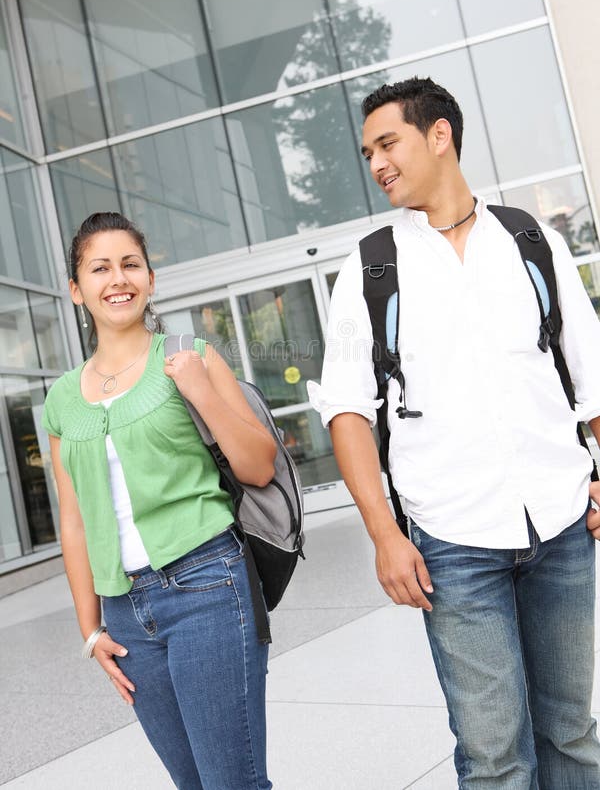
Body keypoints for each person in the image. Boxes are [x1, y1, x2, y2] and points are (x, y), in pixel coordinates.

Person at [308, 77, 600, 788]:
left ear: (439, 134)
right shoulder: (370, 268)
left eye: (388, 144)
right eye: (368, 153)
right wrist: (384, 535)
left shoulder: (532, 242)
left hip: (561, 524)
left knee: (571, 732)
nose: (377, 164)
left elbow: (590, 375)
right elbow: (347, 411)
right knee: (494, 753)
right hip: (452, 543)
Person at [43, 212, 276, 790]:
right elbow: (73, 520)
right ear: (77, 290)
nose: (117, 279)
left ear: (150, 278)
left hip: (206, 585)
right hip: (124, 613)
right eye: (100, 268)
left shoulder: (190, 355)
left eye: (130, 264)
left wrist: (199, 388)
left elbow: (258, 465)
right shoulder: (62, 399)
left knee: (232, 782)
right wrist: (90, 629)